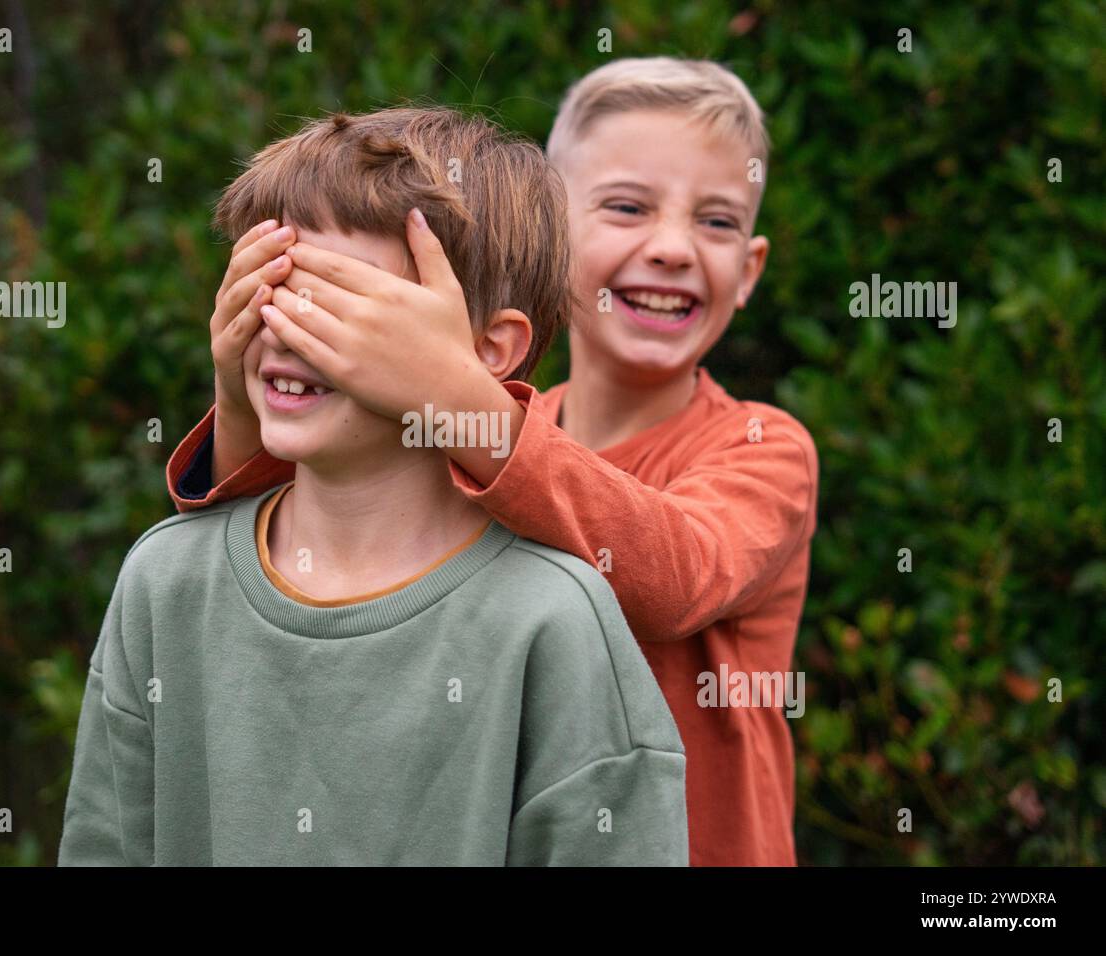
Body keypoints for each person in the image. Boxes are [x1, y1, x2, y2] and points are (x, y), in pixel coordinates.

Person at [166, 59, 819, 866]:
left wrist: (447, 390)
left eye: (716, 223)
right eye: (626, 207)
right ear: (560, 235)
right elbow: (294, 525)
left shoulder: (763, 448)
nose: (674, 247)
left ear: (750, 269)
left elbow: (677, 577)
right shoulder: (481, 439)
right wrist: (239, 396)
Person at [58, 106, 689, 866]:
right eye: (273, 285)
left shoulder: (551, 620)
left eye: (343, 301)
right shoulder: (164, 583)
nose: (289, 328)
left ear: (489, 350)